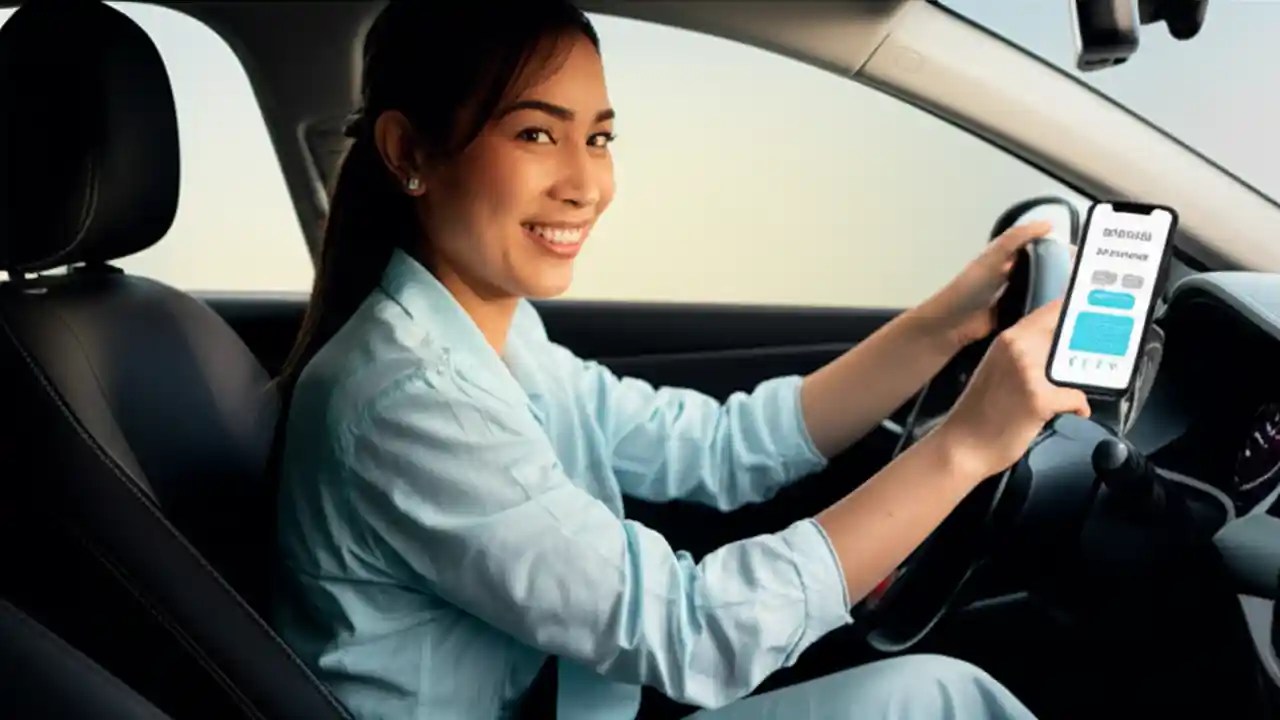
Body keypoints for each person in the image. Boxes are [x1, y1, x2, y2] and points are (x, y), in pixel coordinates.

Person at [270, 2, 1090, 719]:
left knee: (937, 696)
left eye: (598, 138)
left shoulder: (497, 339)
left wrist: (945, 325)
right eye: (536, 134)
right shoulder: (409, 396)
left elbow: (718, 446)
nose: (585, 183)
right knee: (942, 702)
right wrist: (966, 447)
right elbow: (690, 633)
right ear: (408, 152)